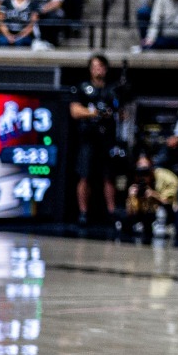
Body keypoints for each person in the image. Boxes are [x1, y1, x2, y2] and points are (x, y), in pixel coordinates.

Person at [69, 53, 127, 228]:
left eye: (101, 66)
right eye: (95, 66)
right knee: (84, 176)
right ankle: (83, 213)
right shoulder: (82, 87)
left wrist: (114, 111)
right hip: (88, 138)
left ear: (106, 69)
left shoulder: (112, 90)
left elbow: (122, 114)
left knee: (109, 177)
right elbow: (75, 111)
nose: (98, 69)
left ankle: (111, 212)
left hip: (107, 139)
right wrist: (94, 113)